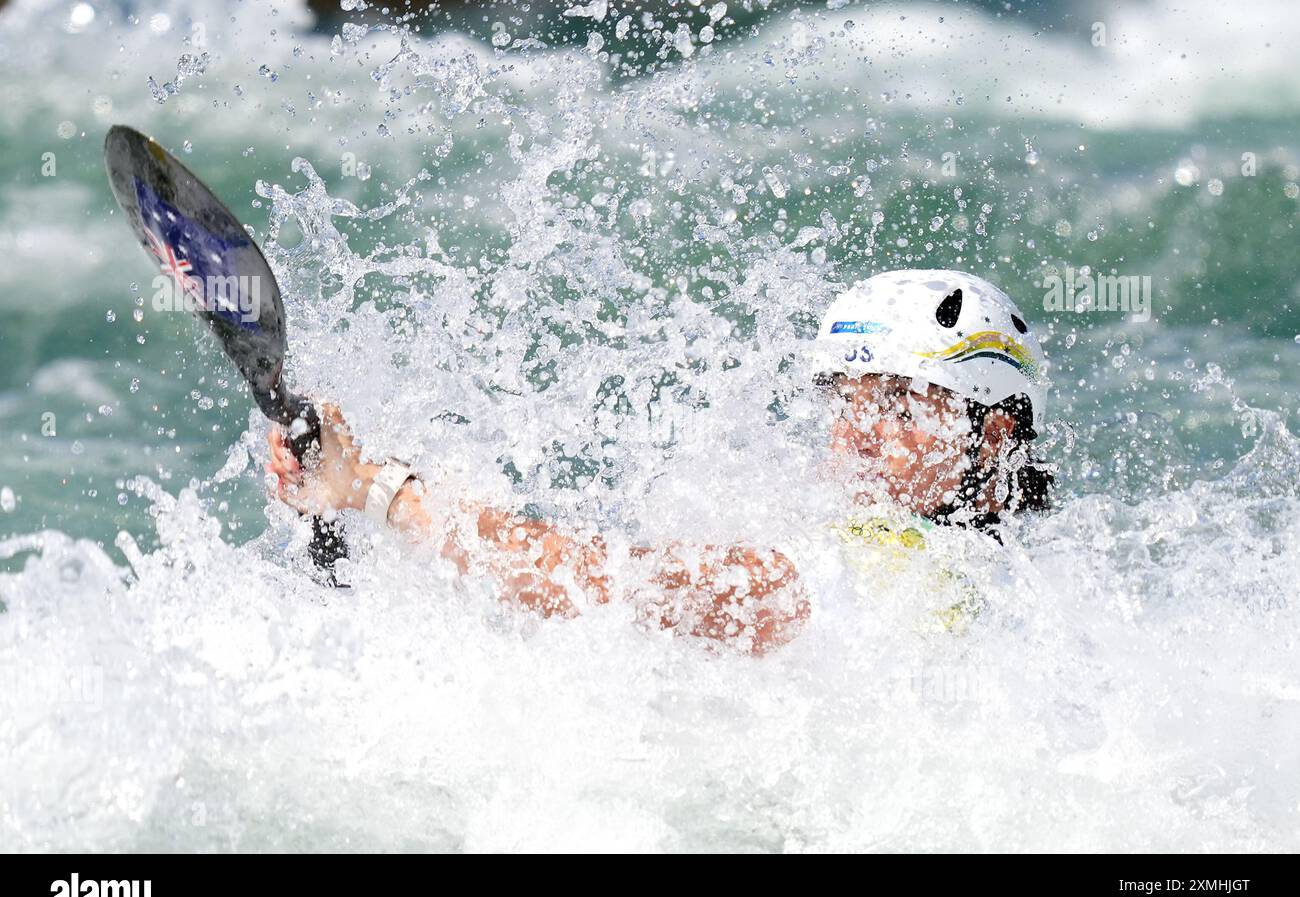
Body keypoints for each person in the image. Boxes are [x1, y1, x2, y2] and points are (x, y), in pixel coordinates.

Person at [267, 269, 1051, 653]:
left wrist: (375, 490)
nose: (859, 437)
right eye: (847, 403)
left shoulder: (904, 575)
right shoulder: (1028, 576)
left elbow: (600, 582)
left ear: (990, 434)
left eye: (901, 406)